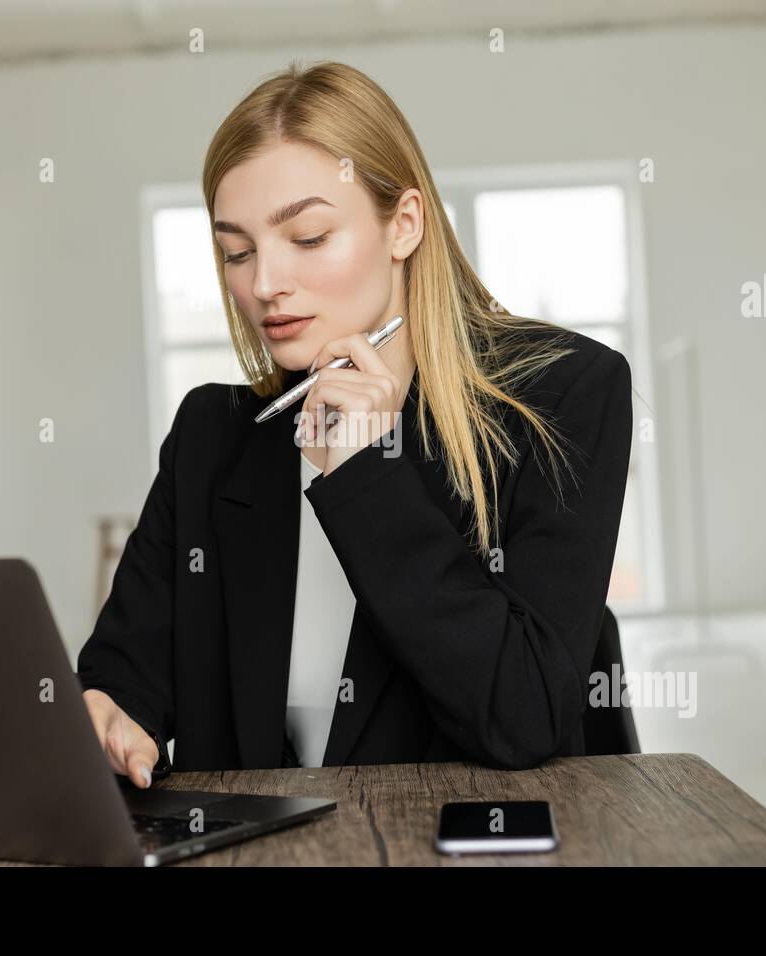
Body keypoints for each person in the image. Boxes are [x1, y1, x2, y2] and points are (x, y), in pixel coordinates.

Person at [79, 60, 633, 789]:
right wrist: (107, 714)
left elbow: (521, 714)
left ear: (403, 224)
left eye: (307, 237)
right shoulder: (215, 434)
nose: (264, 283)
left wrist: (371, 474)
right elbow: (127, 676)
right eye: (236, 252)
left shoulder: (562, 396)